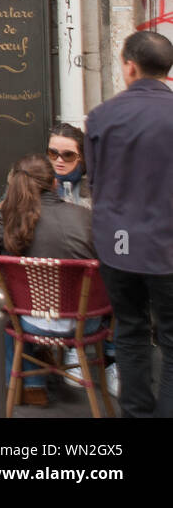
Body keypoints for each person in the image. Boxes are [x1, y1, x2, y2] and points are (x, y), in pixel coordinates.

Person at [0, 154, 106, 407]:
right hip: (85, 322)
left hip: (30, 321)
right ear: (54, 183)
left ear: (14, 184)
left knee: (1, 300)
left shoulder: (10, 218)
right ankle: (36, 374)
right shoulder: (85, 216)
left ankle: (28, 383)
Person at [83, 30, 173, 418]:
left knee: (131, 330)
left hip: (118, 245)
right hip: (166, 247)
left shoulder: (102, 116)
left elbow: (96, 183)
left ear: (130, 66)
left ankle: (136, 413)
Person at [47, 122, 89, 206]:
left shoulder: (95, 185)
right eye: (53, 153)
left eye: (68, 155)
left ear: (81, 156)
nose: (59, 160)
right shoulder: (35, 183)